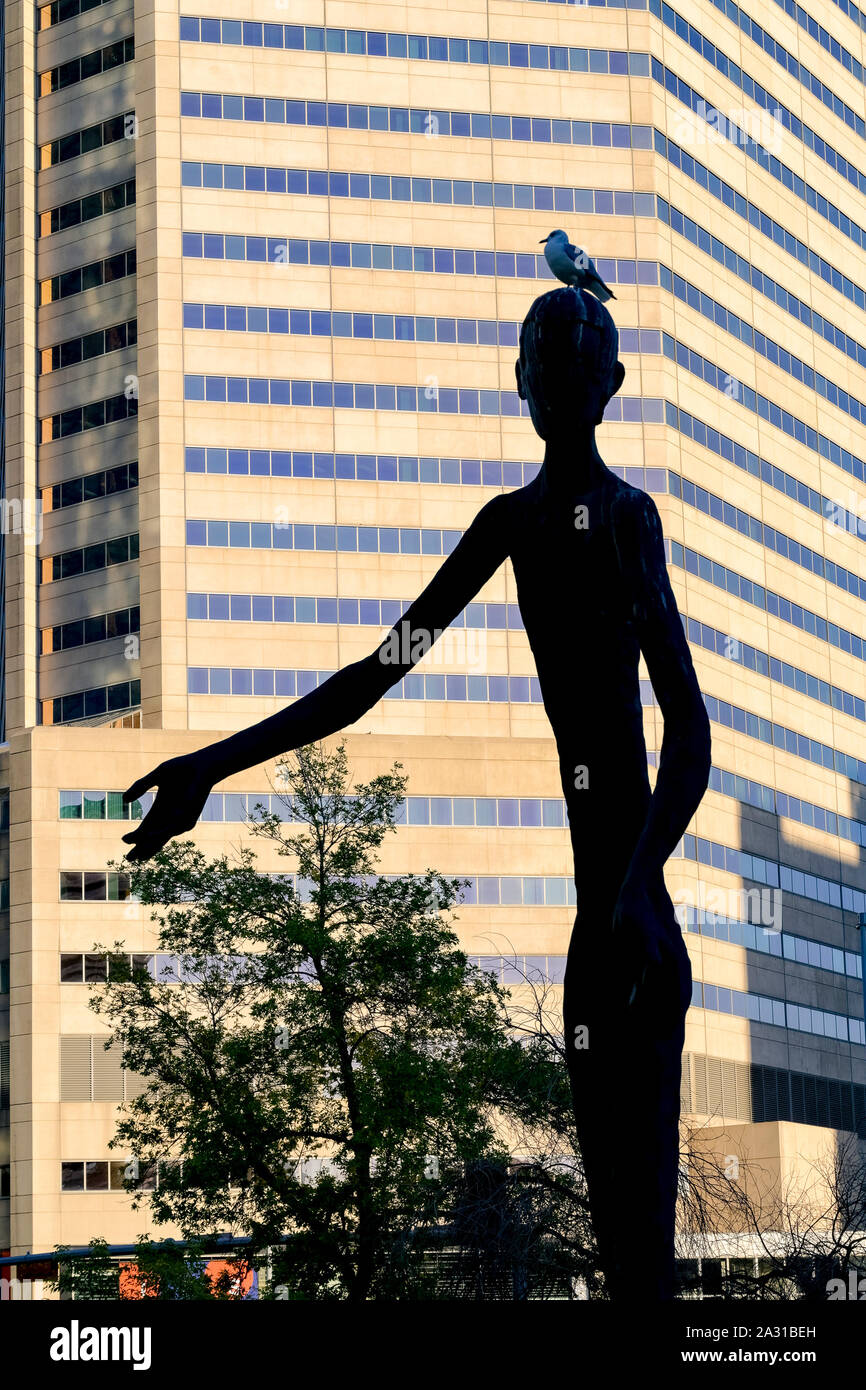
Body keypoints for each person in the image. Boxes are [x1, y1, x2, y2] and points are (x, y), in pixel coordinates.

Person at [122, 285, 712, 1299]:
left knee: (642, 1256)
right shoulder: (510, 525)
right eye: (544, 367)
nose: (557, 385)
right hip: (593, 927)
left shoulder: (624, 519)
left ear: (605, 386)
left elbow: (690, 731)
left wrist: (638, 880)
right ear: (523, 385)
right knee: (621, 1259)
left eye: (576, 369)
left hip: (632, 926)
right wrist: (209, 766)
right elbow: (372, 674)